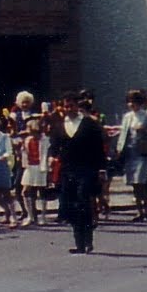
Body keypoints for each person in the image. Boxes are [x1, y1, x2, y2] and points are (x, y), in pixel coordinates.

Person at [50, 91, 108, 254]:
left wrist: (101, 169)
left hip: (86, 168)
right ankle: (79, 243)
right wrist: (51, 157)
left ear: (77, 106)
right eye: (65, 105)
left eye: (71, 105)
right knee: (72, 205)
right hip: (68, 170)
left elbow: (98, 148)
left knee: (84, 202)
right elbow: (54, 146)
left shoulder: (89, 124)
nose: (68, 108)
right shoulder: (59, 125)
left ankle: (88, 240)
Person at [114, 89, 147, 221]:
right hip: (130, 151)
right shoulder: (127, 116)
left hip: (142, 151)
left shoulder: (146, 115)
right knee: (133, 182)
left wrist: (144, 129)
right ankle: (139, 211)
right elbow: (123, 133)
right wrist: (119, 148)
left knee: (140, 181)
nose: (131, 104)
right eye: (129, 102)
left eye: (134, 102)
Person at [19, 115, 51, 226]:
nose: (31, 134)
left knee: (41, 191)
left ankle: (43, 216)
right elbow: (24, 154)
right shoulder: (27, 140)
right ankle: (30, 216)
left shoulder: (45, 140)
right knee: (26, 191)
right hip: (30, 167)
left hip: (41, 167)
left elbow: (48, 154)